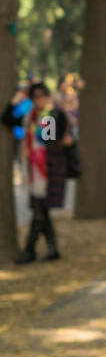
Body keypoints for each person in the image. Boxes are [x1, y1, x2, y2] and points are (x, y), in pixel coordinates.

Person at [3, 82, 73, 263]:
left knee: (39, 208)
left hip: (46, 168)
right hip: (32, 169)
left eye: (42, 95)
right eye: (35, 96)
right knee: (40, 208)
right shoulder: (29, 114)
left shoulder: (50, 114)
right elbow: (7, 119)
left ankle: (29, 250)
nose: (39, 99)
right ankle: (52, 249)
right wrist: (15, 102)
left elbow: (46, 141)